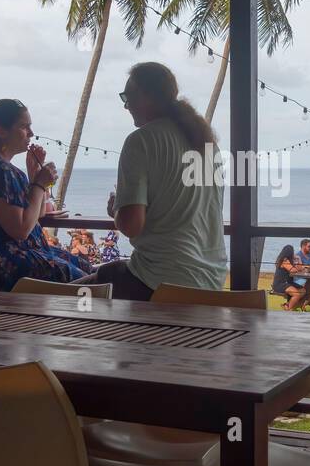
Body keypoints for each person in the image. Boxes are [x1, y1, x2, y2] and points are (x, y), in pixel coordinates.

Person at [76, 62, 226, 301]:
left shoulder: (140, 141)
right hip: (209, 282)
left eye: (127, 97)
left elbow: (131, 225)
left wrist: (117, 209)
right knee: (107, 272)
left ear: (146, 97)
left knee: (61, 300)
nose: (126, 106)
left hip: (157, 282)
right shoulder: (207, 144)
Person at [0, 98, 92, 291]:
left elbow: (35, 215)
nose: (31, 133)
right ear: (1, 131)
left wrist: (34, 180)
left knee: (87, 269)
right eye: (24, 127)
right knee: (90, 283)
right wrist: (40, 184)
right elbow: (20, 229)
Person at [271, 244, 305, 310]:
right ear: (289, 252)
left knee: (303, 290)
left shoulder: (289, 260)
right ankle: (289, 309)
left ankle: (287, 305)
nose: (293, 253)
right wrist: (297, 268)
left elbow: (300, 268)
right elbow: (293, 270)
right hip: (280, 284)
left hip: (288, 282)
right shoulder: (284, 260)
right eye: (293, 251)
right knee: (297, 294)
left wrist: (298, 258)